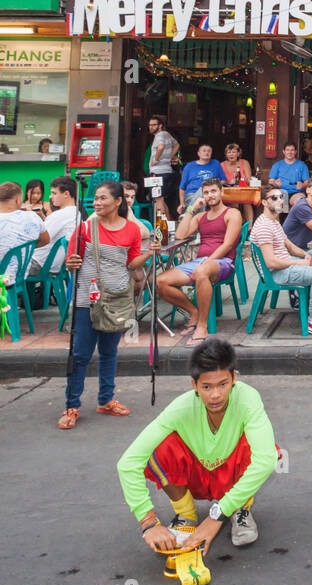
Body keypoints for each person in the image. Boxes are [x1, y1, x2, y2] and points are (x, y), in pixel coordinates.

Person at [117, 337, 280, 552]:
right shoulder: (180, 408)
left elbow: (266, 460)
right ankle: (186, 515)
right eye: (206, 386)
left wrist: (217, 515)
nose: (215, 395)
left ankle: (239, 508)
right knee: (159, 449)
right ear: (194, 385)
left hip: (231, 475)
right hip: (197, 475)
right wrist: (149, 523)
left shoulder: (248, 399)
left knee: (262, 449)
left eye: (223, 384)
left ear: (233, 379)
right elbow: (128, 463)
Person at [59, 181, 159, 429]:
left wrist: (150, 253)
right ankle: (72, 405)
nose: (97, 202)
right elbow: (71, 262)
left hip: (117, 299)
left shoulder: (132, 230)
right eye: (96, 198)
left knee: (109, 352)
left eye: (104, 198)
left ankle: (106, 399)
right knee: (80, 354)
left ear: (118, 202)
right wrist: (71, 263)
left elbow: (132, 263)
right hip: (87, 299)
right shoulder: (83, 228)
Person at [156, 177, 242, 349]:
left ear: (221, 192)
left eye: (213, 191)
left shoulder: (232, 213)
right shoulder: (200, 216)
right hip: (199, 262)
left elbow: (228, 244)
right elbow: (180, 235)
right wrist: (191, 209)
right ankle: (193, 312)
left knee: (202, 272)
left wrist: (205, 264)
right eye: (206, 193)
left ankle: (202, 326)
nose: (210, 195)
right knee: (160, 281)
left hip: (222, 262)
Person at [250, 187, 312, 337]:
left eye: (281, 197)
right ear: (264, 202)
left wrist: (304, 255)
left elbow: (288, 245)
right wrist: (301, 263)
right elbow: (271, 263)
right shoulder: (264, 226)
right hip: (276, 273)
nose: (280, 200)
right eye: (274, 198)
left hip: (286, 263)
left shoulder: (273, 221)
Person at [27, 175, 79, 278]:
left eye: (54, 193)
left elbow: (37, 238)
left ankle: (17, 294)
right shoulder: (77, 213)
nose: (50, 196)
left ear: (66, 194)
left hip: (40, 264)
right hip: (58, 265)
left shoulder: (60, 215)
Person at [0, 180, 49, 286]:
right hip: (18, 276)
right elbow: (45, 240)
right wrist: (21, 247)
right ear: (18, 200)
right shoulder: (32, 216)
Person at [148, 115, 180, 220]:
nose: (151, 127)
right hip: (166, 171)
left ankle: (161, 228)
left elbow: (160, 147)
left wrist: (156, 159)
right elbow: (177, 145)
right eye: (150, 125)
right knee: (161, 199)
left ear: (160, 126)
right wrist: (170, 156)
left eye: (154, 125)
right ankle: (169, 225)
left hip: (157, 172)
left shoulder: (160, 135)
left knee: (158, 200)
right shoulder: (167, 134)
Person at [178, 143, 225, 214]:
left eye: (209, 151)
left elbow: (223, 181)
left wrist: (211, 186)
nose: (207, 152)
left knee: (204, 189)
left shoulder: (216, 163)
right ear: (198, 153)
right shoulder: (189, 166)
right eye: (204, 151)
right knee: (202, 191)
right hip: (191, 195)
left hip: (211, 194)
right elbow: (182, 187)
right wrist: (181, 203)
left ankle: (186, 215)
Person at [220, 141, 255, 227]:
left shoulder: (244, 163)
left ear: (238, 154)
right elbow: (219, 181)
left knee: (247, 201)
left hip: (243, 191)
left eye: (234, 152)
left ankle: (249, 228)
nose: (231, 154)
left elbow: (248, 179)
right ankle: (234, 226)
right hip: (228, 192)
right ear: (226, 154)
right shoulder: (222, 165)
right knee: (234, 203)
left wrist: (241, 179)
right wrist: (228, 182)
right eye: (229, 152)